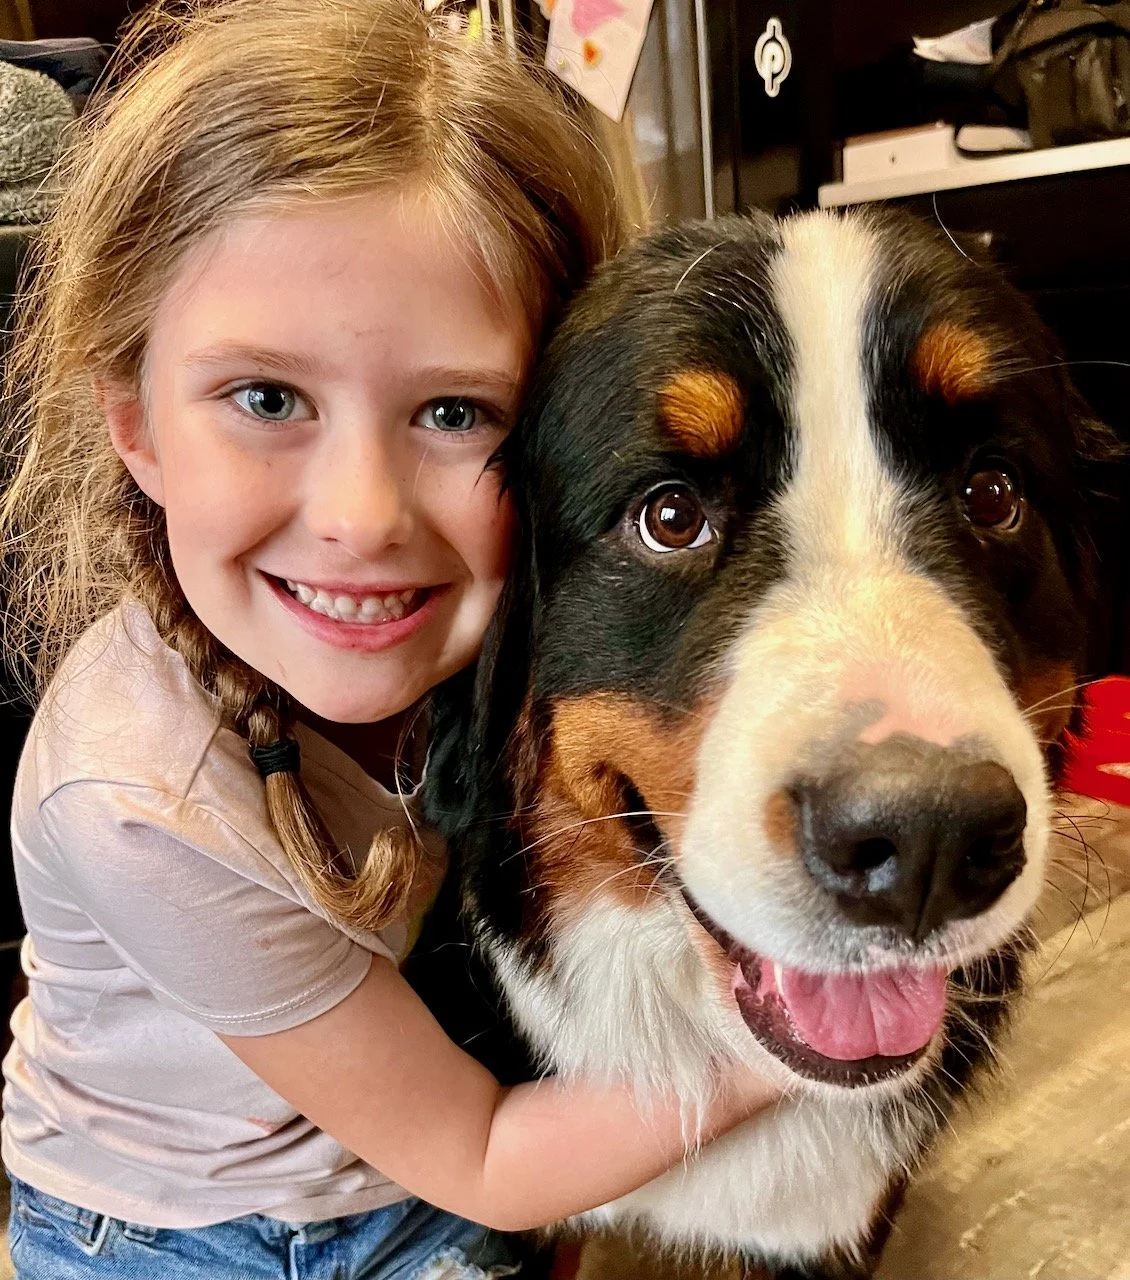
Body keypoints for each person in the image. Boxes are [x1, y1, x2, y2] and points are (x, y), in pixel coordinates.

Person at [0, 2, 779, 1277]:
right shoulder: (137, 799)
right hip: (191, 1232)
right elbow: (481, 1154)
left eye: (456, 411)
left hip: (438, 1131)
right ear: (134, 422)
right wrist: (812, 1020)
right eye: (266, 397)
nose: (361, 518)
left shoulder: (512, 624)